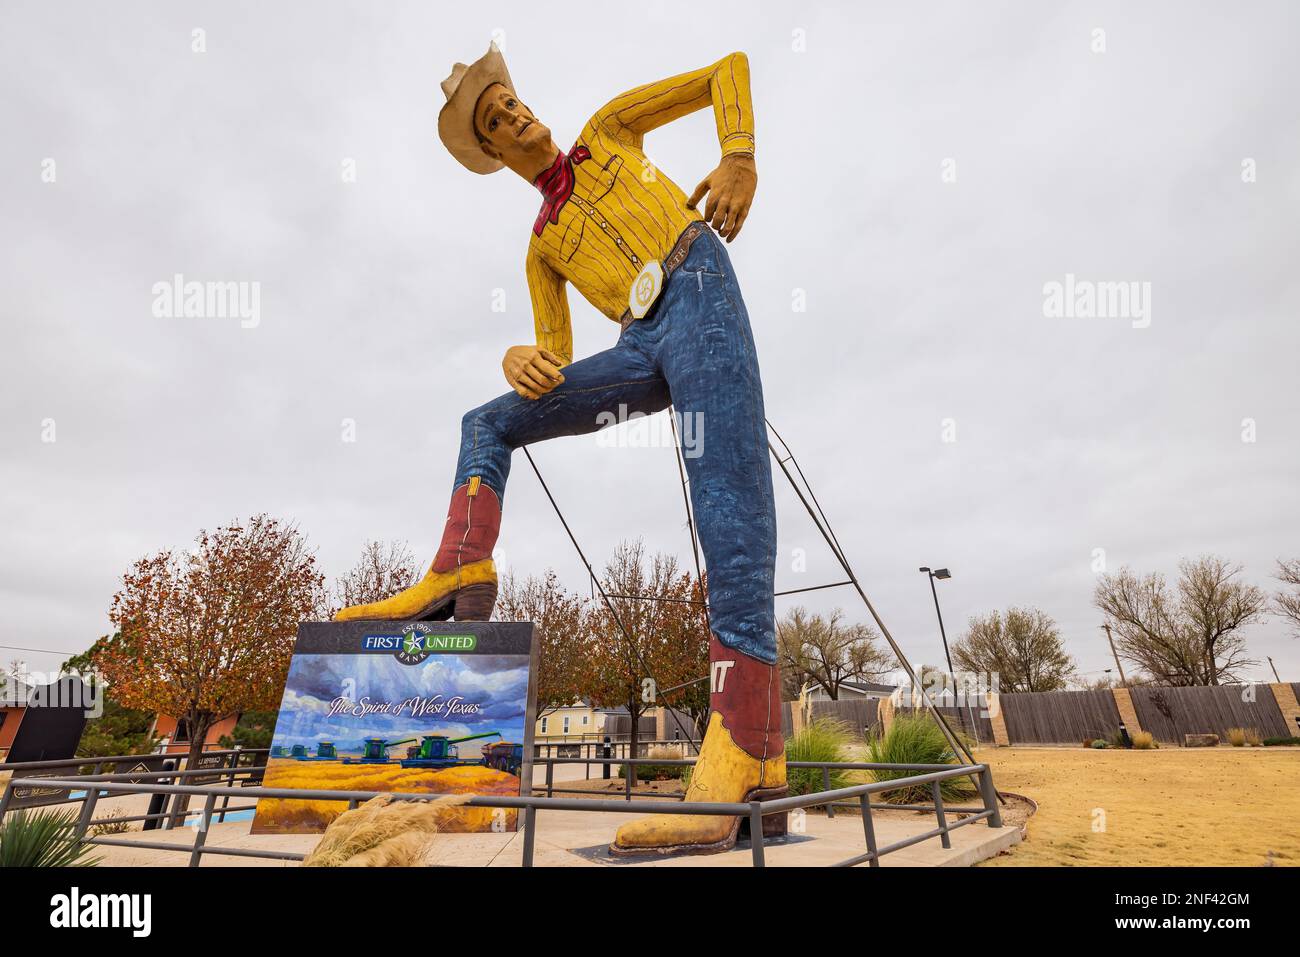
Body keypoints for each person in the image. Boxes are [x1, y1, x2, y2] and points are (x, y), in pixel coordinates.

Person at [336, 42, 784, 855]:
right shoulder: (542, 244)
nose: (511, 113)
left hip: (695, 283)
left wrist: (737, 155)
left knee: (724, 484)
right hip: (638, 341)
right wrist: (519, 359)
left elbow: (728, 67)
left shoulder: (608, 130)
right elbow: (555, 361)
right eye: (495, 120)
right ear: (494, 153)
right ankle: (460, 567)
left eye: (509, 101)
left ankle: (749, 746)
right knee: (488, 421)